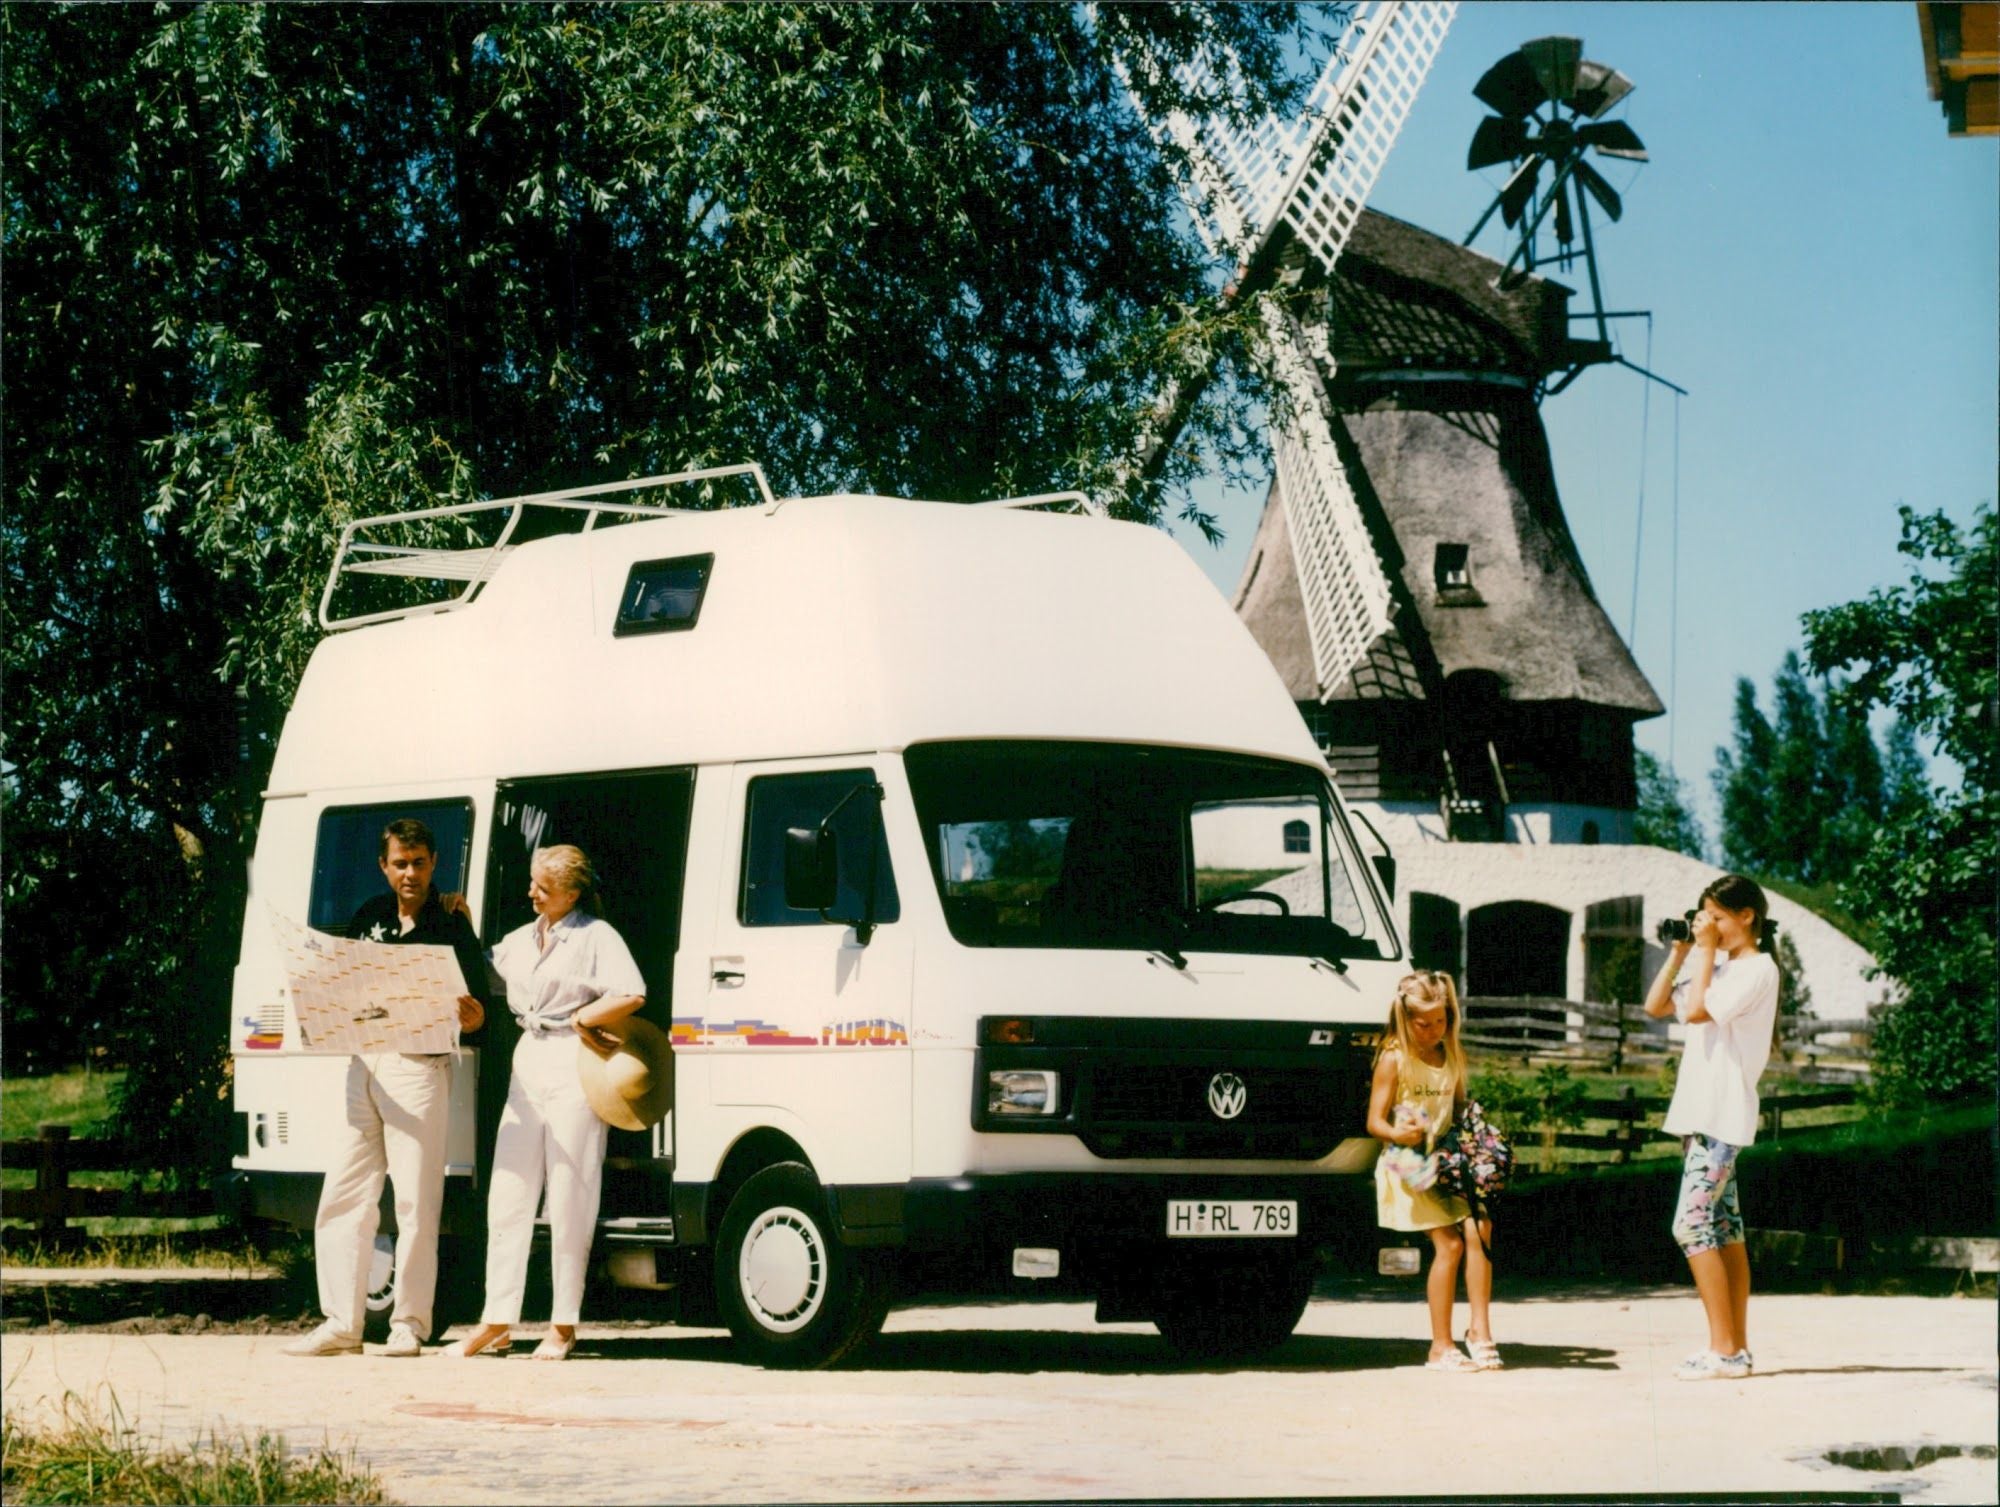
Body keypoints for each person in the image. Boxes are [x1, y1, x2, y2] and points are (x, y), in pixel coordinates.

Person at [284, 818, 487, 1358]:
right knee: (344, 1194)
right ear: (384, 866)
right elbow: (344, 987)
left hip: (419, 1067)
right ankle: (340, 1323)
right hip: (365, 1065)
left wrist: (472, 1020)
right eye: (400, 863)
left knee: (418, 1202)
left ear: (434, 863)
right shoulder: (369, 916)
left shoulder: (450, 923)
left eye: (419, 863)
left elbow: (482, 1013)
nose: (410, 873)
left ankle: (410, 1324)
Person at [447, 844, 645, 1361]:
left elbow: (633, 991)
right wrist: (461, 927)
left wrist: (586, 1018)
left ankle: (563, 1323)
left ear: (573, 893)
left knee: (570, 1191)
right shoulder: (520, 939)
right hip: (528, 1057)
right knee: (508, 1192)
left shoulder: (595, 936)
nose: (531, 892)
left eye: (543, 887)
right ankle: (497, 1320)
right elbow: (478, 972)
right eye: (533, 882)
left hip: (574, 1061)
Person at [1641, 873, 1782, 1382]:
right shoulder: (1717, 967)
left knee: (1691, 1225)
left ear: (1748, 916)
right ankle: (1736, 1349)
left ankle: (1723, 1350)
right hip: (1704, 1116)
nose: (1712, 927)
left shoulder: (1755, 971)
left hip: (1722, 1115)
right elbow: (1656, 1007)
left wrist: (1704, 954)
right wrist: (1681, 951)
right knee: (1725, 1228)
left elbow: (1698, 1011)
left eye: (1719, 917)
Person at [1365, 969, 1500, 1373]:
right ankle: (1440, 1347)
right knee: (1451, 1245)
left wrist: (1478, 1139)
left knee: (1481, 1228)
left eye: (1440, 1021)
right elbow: (1374, 1122)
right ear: (1404, 1019)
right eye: (1422, 1023)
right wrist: (1398, 1133)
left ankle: (1480, 1331)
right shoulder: (1393, 1058)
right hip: (1405, 1162)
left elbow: (1459, 1109)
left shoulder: (1452, 1054)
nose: (1431, 1030)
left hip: (1446, 1159)